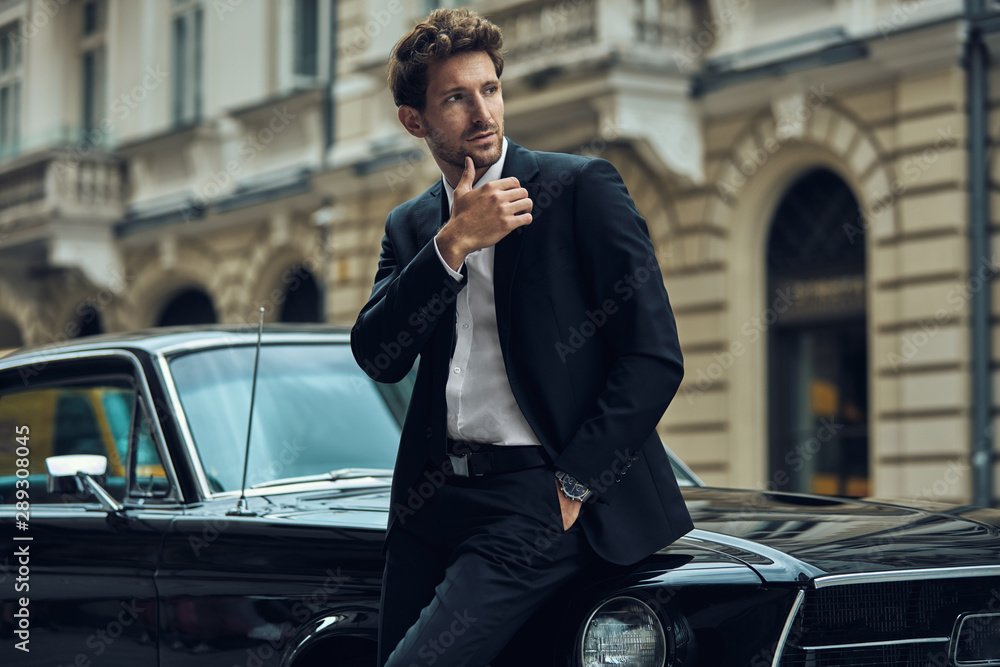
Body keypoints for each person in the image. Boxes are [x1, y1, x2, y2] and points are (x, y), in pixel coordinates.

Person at [351, 8, 693, 665]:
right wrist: (450, 246)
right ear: (414, 120)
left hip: (532, 500)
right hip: (432, 503)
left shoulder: (578, 190)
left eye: (490, 89)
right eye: (455, 97)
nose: (482, 112)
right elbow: (379, 354)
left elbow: (653, 355)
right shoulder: (412, 225)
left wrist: (572, 484)